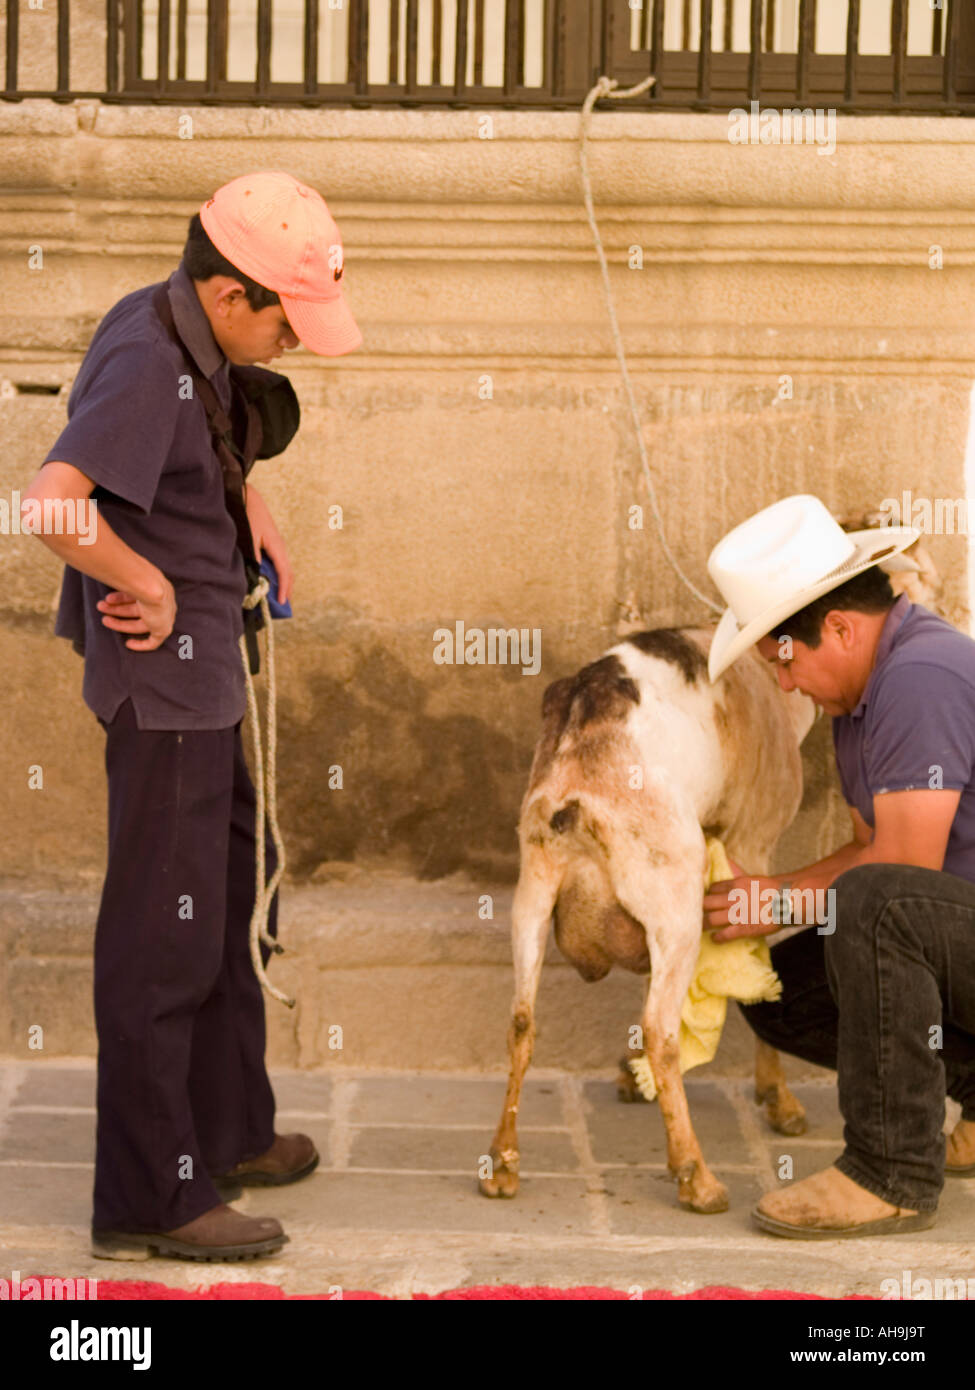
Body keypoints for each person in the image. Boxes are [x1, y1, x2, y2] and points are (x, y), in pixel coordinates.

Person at [21, 171, 362, 1260]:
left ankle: (227, 1128)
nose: (296, 340)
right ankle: (151, 1194)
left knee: (227, 896)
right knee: (162, 939)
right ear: (227, 293)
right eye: (284, 318)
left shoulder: (185, 333)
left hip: (205, 677)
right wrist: (151, 582)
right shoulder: (144, 353)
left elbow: (187, 443)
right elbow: (53, 502)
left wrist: (243, 496)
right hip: (163, 687)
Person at [703, 493, 975, 1239]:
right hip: (955, 929)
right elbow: (867, 848)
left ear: (839, 628)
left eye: (784, 663)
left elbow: (902, 879)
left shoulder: (921, 675)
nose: (784, 685)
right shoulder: (856, 702)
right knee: (782, 999)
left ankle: (890, 1172)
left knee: (875, 906)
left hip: (940, 917)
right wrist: (770, 896)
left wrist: (787, 903)